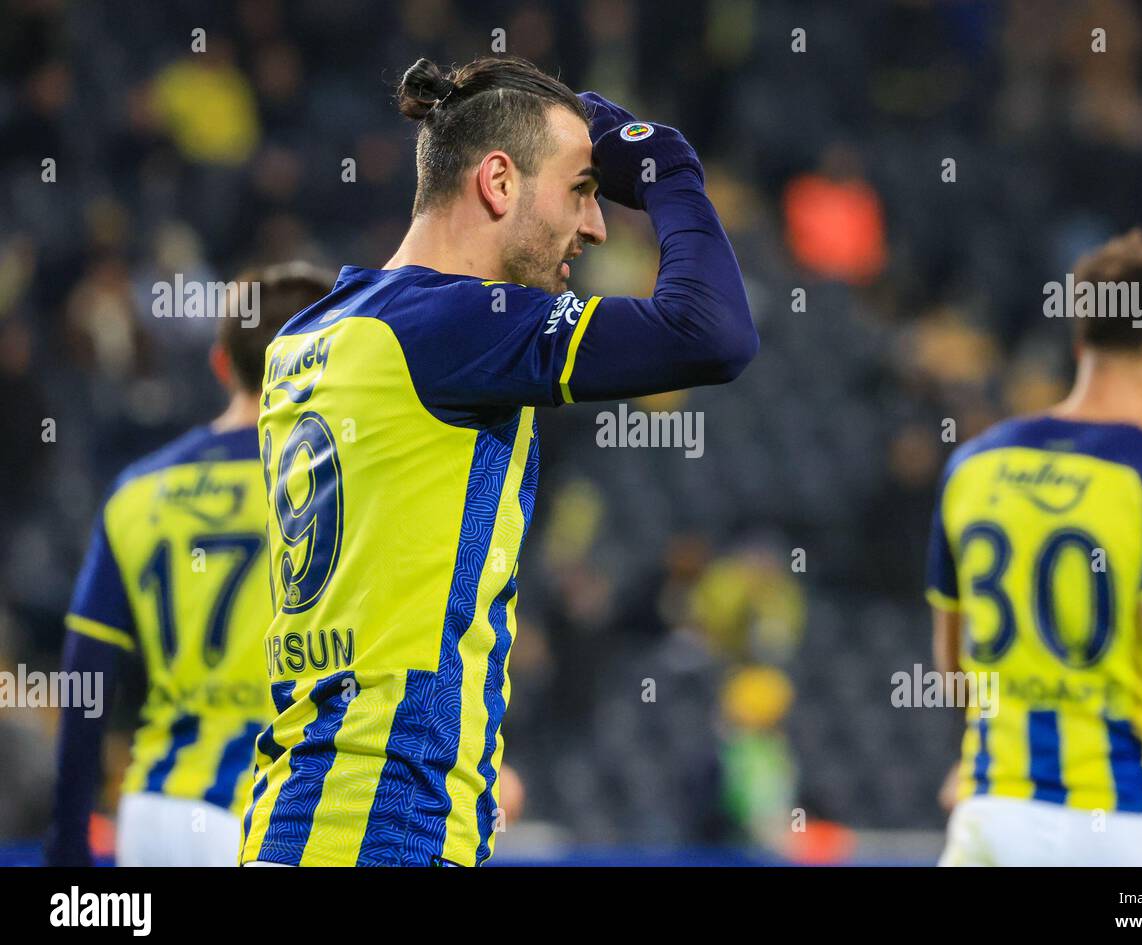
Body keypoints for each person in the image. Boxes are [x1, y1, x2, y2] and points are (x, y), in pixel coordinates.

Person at [238, 55, 757, 867]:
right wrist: (670, 165)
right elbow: (712, 332)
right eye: (582, 190)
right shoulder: (451, 328)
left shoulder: (314, 331)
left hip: (298, 817)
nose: (596, 226)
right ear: (498, 182)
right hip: (387, 827)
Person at [927, 231, 1142, 865]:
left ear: (1081, 341)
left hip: (991, 814)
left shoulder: (973, 463)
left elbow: (952, 668)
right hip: (1124, 823)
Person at [46, 264, 335, 866]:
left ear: (221, 363)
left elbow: (85, 672)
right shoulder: (336, 485)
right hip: (272, 811)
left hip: (153, 810)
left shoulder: (138, 489)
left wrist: (69, 837)